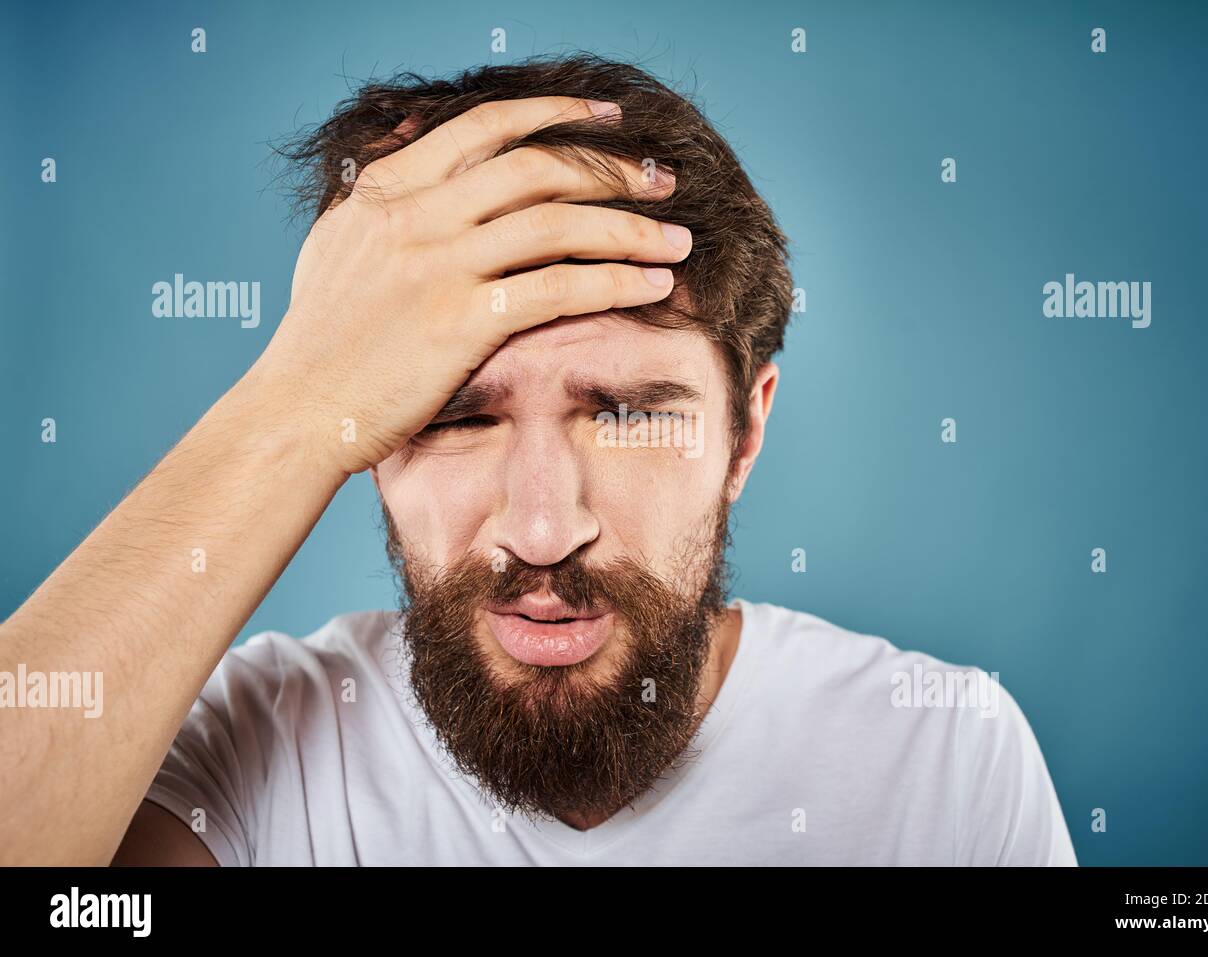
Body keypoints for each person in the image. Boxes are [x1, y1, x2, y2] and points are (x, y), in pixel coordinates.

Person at [0, 54, 1075, 865]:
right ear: (364, 438)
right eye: (457, 418)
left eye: (626, 413)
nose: (544, 529)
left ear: (744, 434)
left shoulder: (944, 761)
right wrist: (294, 399)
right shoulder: (254, 752)